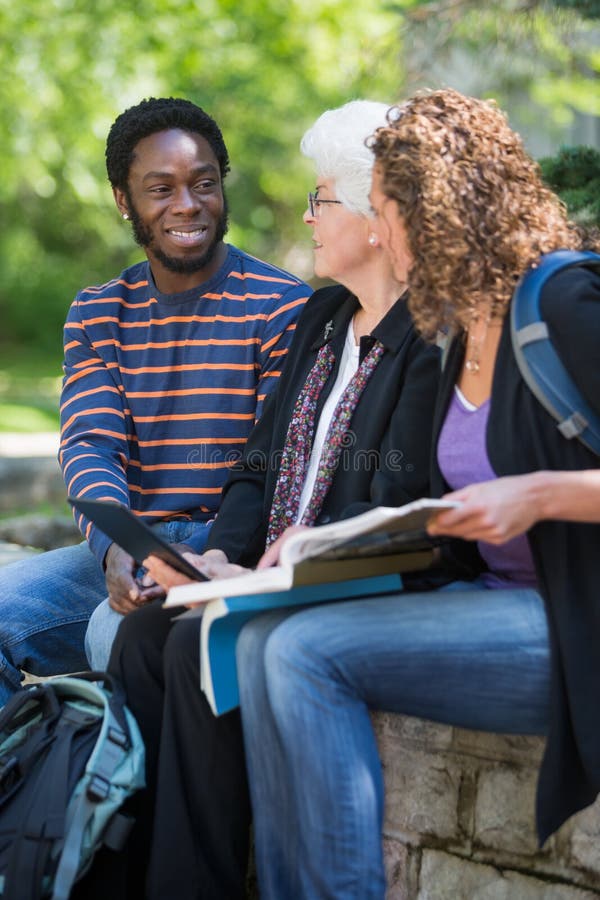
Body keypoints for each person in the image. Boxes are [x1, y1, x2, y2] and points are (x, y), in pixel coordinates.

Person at [234, 87, 600, 900]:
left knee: (304, 651)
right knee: (261, 640)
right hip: (490, 603)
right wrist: (325, 548)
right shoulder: (456, 333)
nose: (382, 228)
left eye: (390, 208)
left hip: (572, 622)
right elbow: (435, 517)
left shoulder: (565, 304)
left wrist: (540, 494)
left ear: (437, 210)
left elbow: (535, 495)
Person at [101, 99, 441, 900]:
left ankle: (197, 884)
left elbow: (398, 499)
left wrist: (280, 564)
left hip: (355, 577)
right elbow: (255, 469)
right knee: (145, 637)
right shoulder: (324, 319)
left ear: (377, 218)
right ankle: (126, 876)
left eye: (322, 198)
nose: (307, 215)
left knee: (194, 648)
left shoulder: (432, 337)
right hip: (272, 570)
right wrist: (222, 554)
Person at [0, 97, 311, 702]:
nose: (187, 204)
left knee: (113, 634)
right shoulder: (98, 313)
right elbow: (91, 446)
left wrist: (194, 555)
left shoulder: (281, 305)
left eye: (203, 183)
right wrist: (117, 544)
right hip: (127, 548)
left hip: (228, 551)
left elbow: (273, 466)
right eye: (160, 188)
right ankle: (34, 785)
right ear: (124, 200)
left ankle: (123, 792)